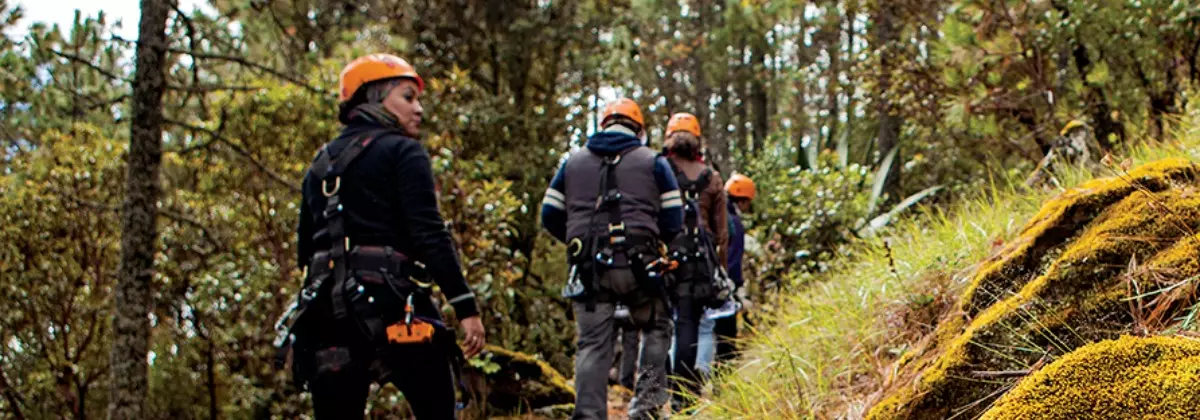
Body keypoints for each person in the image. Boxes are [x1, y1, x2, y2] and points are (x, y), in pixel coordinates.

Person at [287, 54, 486, 419]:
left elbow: (304, 248)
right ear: (374, 100)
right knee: (437, 408)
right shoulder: (403, 151)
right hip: (396, 304)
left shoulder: (321, 164)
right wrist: (465, 306)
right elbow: (428, 233)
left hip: (326, 313)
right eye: (407, 98)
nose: (419, 109)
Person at [541, 97, 683, 420]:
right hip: (642, 267)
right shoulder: (654, 162)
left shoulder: (572, 162)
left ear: (603, 125)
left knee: (592, 343)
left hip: (589, 268)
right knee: (658, 326)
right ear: (640, 130)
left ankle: (589, 415)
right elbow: (674, 220)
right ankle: (645, 408)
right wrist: (656, 238)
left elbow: (549, 214)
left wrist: (576, 239)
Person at [659, 112, 728, 411]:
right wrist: (720, 270)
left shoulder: (658, 170)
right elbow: (721, 232)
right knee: (689, 323)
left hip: (664, 255)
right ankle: (682, 400)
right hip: (699, 262)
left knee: (661, 324)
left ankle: (661, 389)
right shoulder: (710, 177)